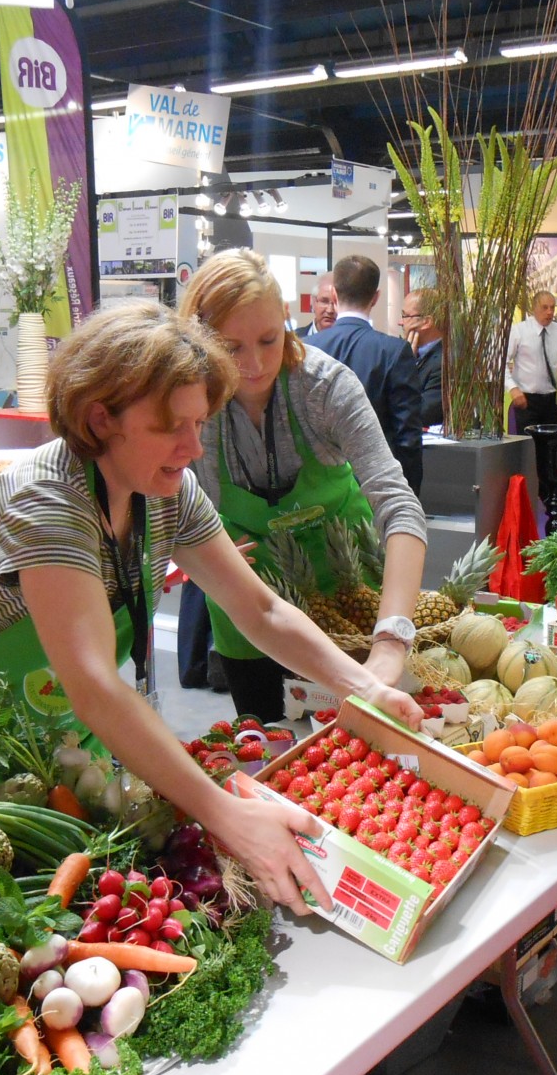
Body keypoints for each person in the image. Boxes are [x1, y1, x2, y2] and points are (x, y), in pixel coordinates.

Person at [0, 299, 421, 914]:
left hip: (61, 739)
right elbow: (97, 686)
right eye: (170, 427)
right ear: (100, 419)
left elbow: (258, 610)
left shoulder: (162, 491)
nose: (193, 449)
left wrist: (363, 686)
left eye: (200, 425)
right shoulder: (47, 502)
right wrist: (222, 814)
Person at [182, 249, 428, 722]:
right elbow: (173, 516)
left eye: (269, 340)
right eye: (230, 348)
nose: (253, 365)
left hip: (349, 588)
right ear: (198, 342)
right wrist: (206, 554)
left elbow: (398, 504)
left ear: (288, 323)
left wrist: (392, 637)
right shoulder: (194, 405)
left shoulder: (325, 387)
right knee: (269, 743)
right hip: (250, 598)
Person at [306, 256, 424, 492]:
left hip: (316, 489)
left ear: (336, 296)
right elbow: (407, 437)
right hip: (374, 486)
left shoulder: (305, 348)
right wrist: (409, 497)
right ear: (376, 297)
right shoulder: (393, 351)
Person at [505, 289, 557, 502]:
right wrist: (513, 388)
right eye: (545, 307)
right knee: (529, 450)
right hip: (527, 400)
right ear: (534, 308)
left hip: (551, 400)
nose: (550, 312)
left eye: (552, 307)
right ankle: (527, 495)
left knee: (553, 451)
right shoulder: (519, 331)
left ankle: (551, 494)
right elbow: (501, 364)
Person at [401, 288, 444, 429]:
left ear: (426, 322)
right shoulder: (414, 354)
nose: (400, 322)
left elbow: (420, 413)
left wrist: (405, 366)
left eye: (405, 316)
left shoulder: (444, 362)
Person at [295, 273, 337, 339]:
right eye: (324, 301)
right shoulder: (294, 340)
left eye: (336, 303)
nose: (330, 310)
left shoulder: (352, 343)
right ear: (312, 302)